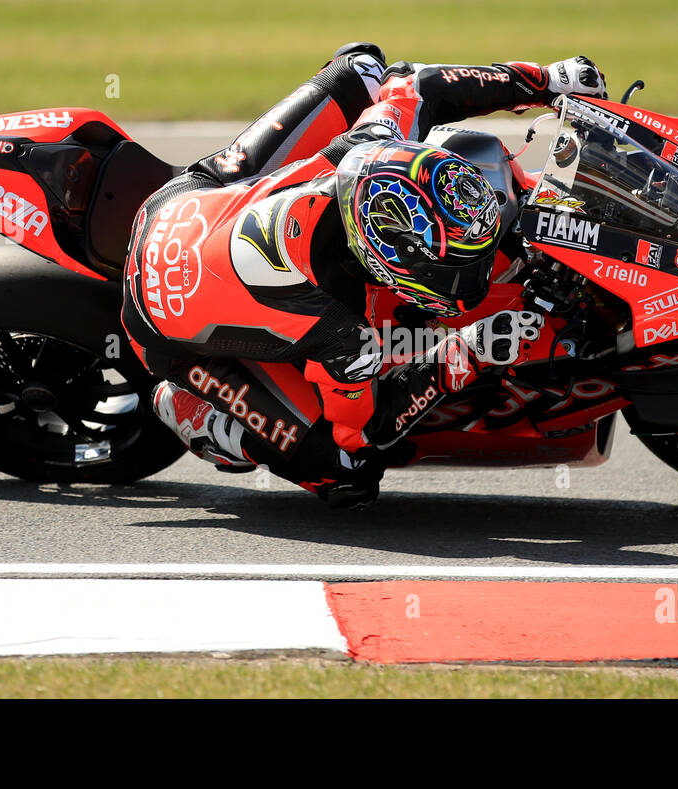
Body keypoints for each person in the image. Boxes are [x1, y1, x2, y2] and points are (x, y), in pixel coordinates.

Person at [120, 43, 607, 508]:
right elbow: (367, 425)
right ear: (390, 267)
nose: (472, 276)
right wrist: (473, 348)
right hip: (162, 322)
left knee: (365, 68)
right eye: (458, 267)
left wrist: (544, 80)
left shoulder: (368, 147)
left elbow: (416, 85)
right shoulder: (343, 334)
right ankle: (198, 416)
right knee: (346, 469)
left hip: (184, 203)